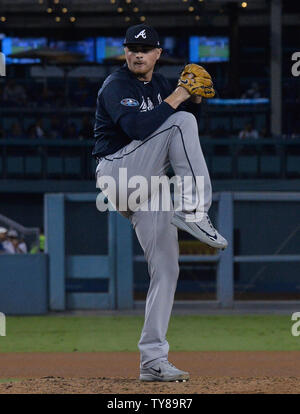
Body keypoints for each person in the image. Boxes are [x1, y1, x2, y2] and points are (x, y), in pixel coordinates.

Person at [93, 24, 227, 383]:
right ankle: (194, 211)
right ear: (125, 52)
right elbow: (138, 128)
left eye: (146, 48)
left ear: (157, 54)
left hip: (148, 185)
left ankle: (153, 361)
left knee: (167, 269)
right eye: (132, 48)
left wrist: (195, 100)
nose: (138, 53)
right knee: (178, 118)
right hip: (117, 171)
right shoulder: (116, 85)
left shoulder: (165, 85)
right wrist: (181, 99)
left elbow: (192, 129)